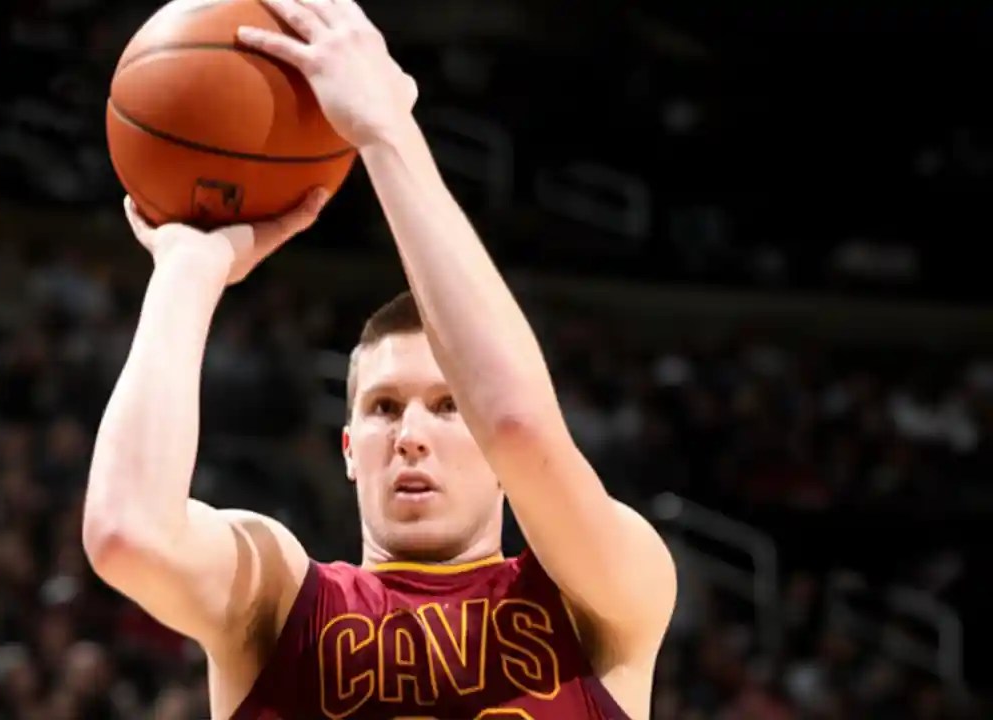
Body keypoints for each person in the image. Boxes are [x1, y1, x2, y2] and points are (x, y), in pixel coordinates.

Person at [82, 0, 677, 717]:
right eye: (383, 407)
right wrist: (189, 267)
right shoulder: (282, 603)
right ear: (348, 449)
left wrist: (387, 132)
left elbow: (519, 422)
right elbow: (127, 533)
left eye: (450, 405)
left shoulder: (600, 596)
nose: (411, 434)